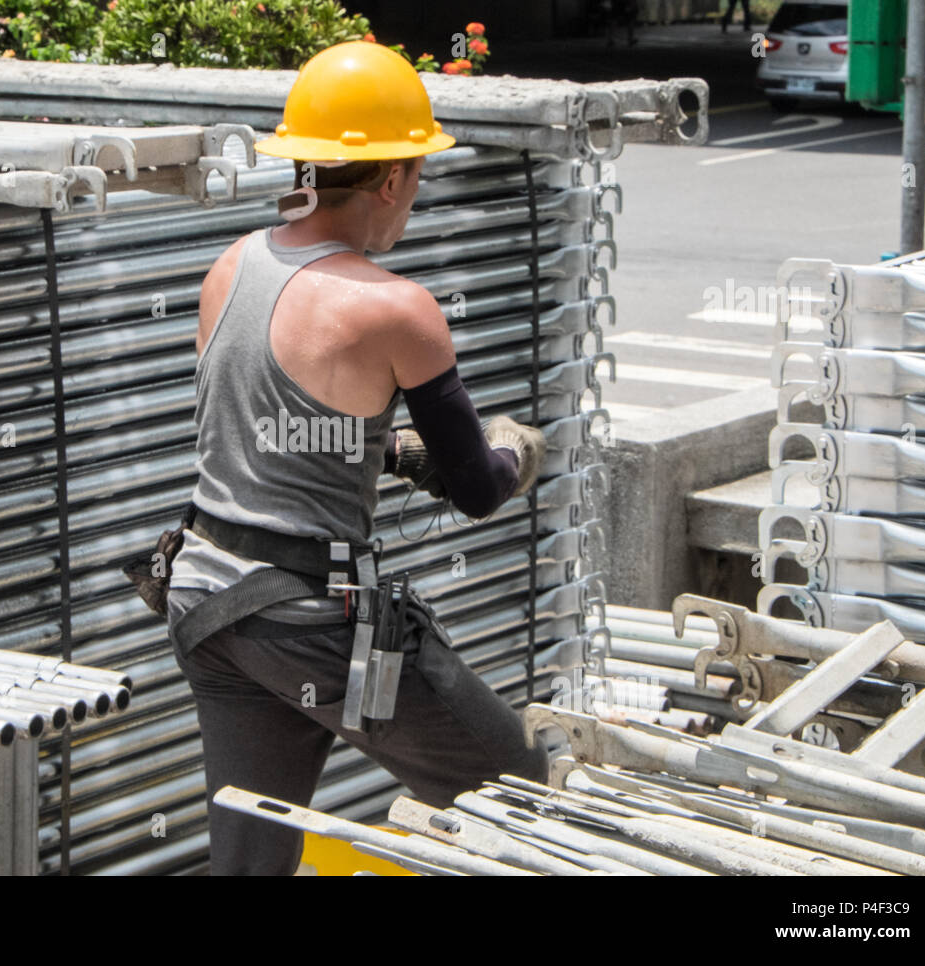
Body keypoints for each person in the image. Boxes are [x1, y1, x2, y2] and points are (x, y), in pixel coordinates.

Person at [163, 40, 550, 876]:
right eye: (416, 176)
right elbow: (479, 490)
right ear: (389, 180)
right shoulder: (395, 309)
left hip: (204, 596)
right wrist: (515, 451)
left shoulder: (233, 266)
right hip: (307, 621)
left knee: (252, 850)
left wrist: (392, 449)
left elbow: (275, 437)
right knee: (521, 787)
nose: (413, 196)